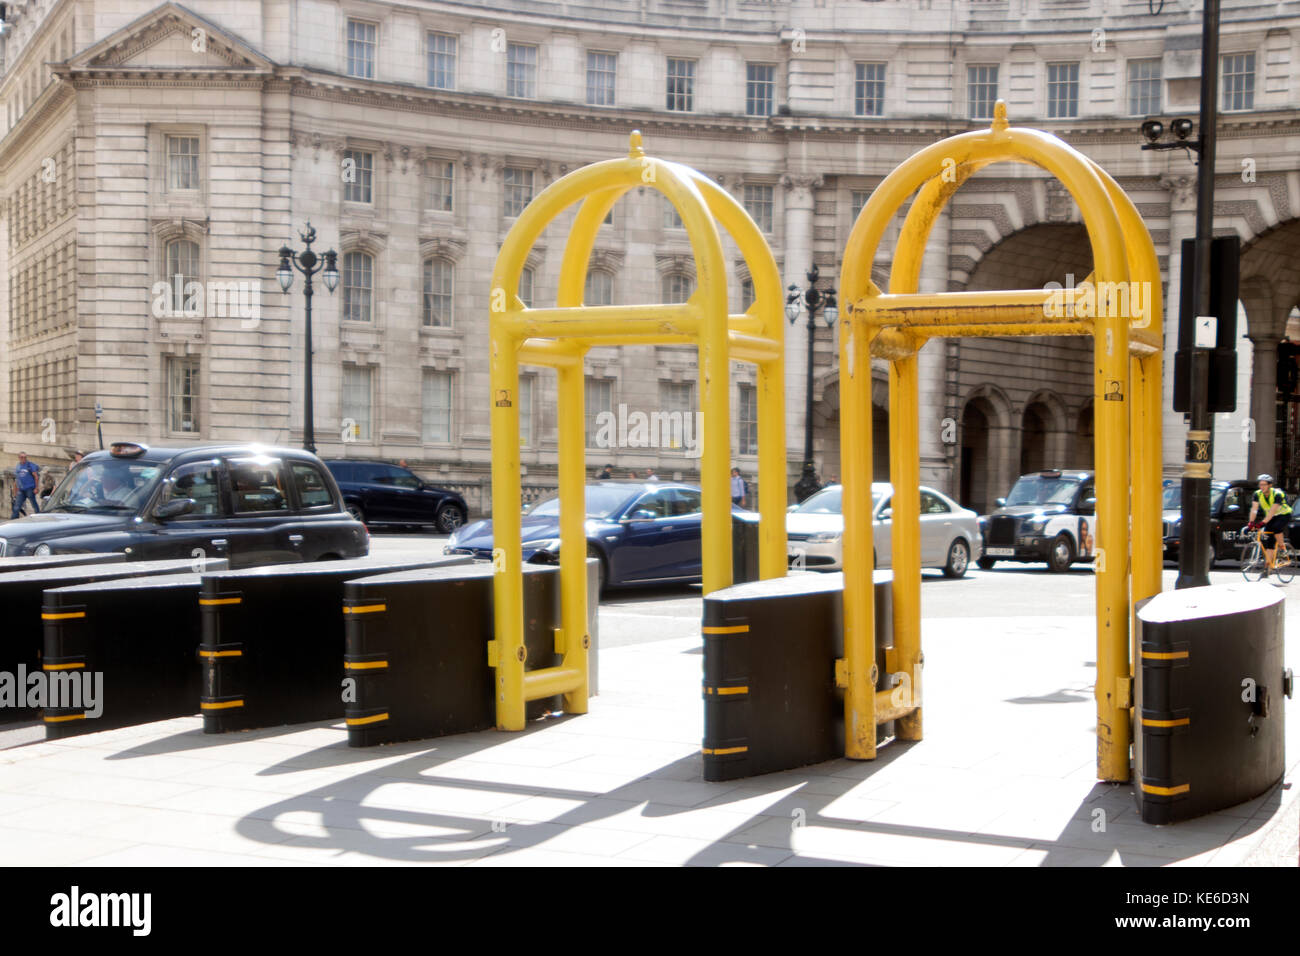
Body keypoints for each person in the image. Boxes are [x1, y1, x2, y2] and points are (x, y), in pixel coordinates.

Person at [1247, 473, 1292, 579]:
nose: (1261, 487)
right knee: (1269, 542)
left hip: (1283, 515)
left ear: (1270, 485)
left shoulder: (1277, 494)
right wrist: (1251, 522)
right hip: (1271, 517)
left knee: (1276, 528)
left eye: (1264, 484)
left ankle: (1282, 549)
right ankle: (1267, 568)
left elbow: (1272, 511)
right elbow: (1254, 509)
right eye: (1260, 484)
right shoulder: (1257, 494)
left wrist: (1262, 523)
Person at [10, 452, 40, 519]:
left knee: (34, 504)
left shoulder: (29, 465)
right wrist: (15, 491)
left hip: (30, 489)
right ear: (19, 458)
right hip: (21, 490)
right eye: (22, 457)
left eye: (25, 457)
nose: (24, 459)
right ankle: (13, 521)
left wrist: (36, 488)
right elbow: (17, 479)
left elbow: (36, 477)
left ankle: (39, 517)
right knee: (16, 506)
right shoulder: (18, 466)